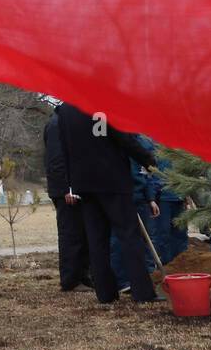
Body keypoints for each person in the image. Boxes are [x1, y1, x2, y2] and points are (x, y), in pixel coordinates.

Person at [54, 102, 159, 304]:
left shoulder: (66, 110)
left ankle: (105, 293)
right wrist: (149, 161)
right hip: (111, 181)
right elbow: (122, 138)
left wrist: (71, 183)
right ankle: (143, 292)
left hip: (84, 183)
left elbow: (65, 148)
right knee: (129, 236)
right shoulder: (99, 103)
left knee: (96, 240)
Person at [43, 107, 91, 290]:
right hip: (65, 190)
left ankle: (83, 275)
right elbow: (56, 159)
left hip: (75, 187)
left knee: (82, 233)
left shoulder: (66, 122)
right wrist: (66, 188)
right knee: (70, 234)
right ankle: (71, 280)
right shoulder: (57, 124)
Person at [111, 146, 159, 292]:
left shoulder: (142, 143)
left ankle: (149, 275)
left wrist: (151, 198)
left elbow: (149, 173)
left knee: (146, 239)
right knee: (119, 240)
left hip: (141, 198)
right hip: (122, 196)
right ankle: (122, 281)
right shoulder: (116, 142)